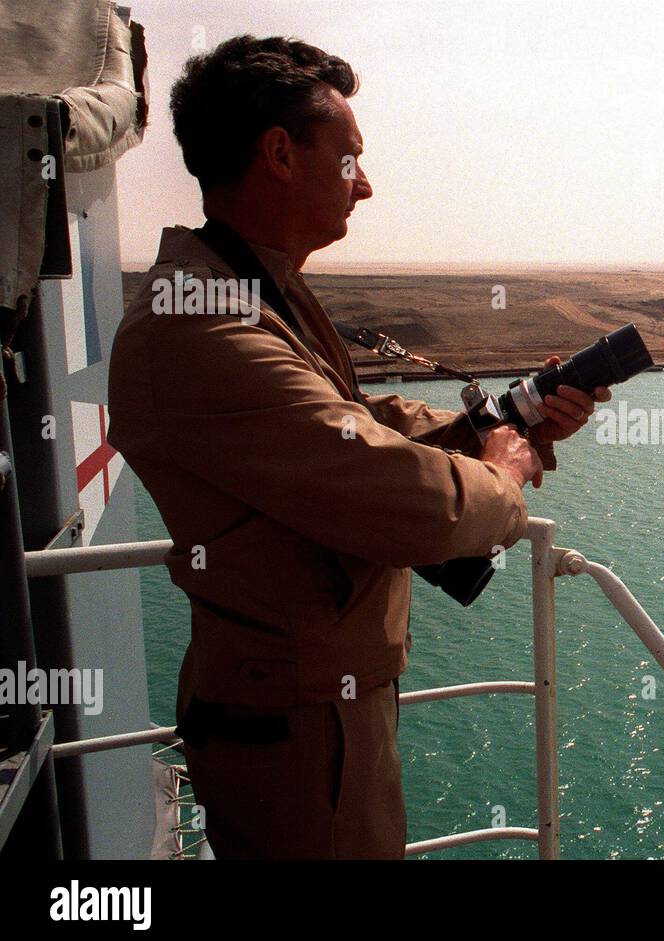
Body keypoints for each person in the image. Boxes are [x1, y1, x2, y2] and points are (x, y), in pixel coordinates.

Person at [107, 35, 608, 859]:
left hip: (311, 704)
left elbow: (352, 423)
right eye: (348, 160)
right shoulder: (198, 329)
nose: (365, 185)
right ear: (278, 154)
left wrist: (507, 425)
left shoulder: (247, 290)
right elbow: (398, 495)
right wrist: (502, 473)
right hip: (295, 728)